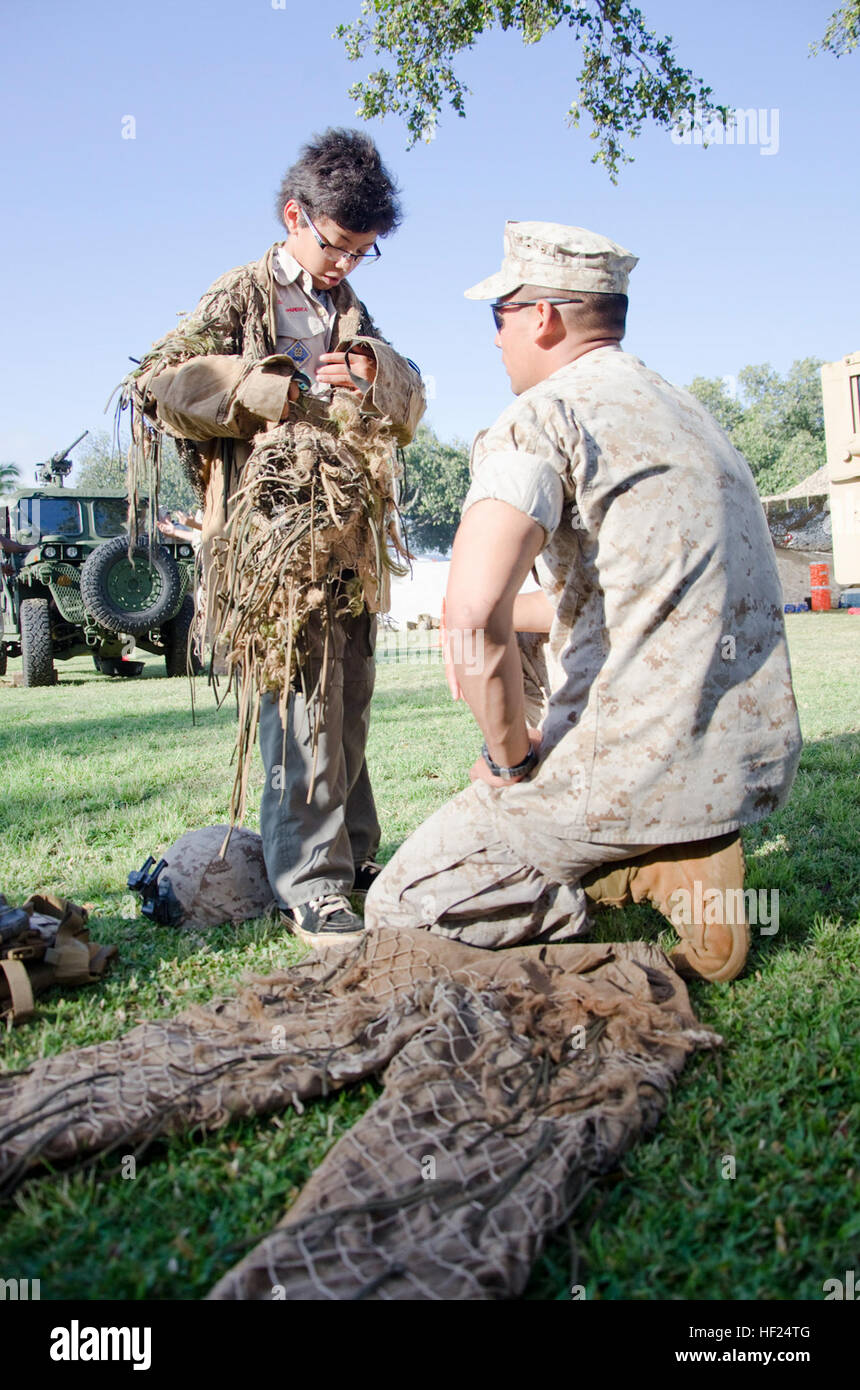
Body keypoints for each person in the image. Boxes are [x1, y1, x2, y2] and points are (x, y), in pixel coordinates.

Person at [366, 220, 801, 983]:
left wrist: (508, 761)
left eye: (496, 318)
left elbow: (471, 614)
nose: (494, 341)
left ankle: (632, 869)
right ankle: (667, 840)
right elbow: (627, 596)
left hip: (632, 765)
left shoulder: (539, 419)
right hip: (744, 760)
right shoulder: (685, 412)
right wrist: (501, 629)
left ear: (544, 316)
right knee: (509, 632)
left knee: (400, 910)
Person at [127, 129, 425, 946]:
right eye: (337, 246)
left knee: (349, 706)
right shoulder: (240, 293)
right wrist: (267, 388)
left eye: (365, 253)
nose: (347, 265)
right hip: (270, 550)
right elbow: (160, 383)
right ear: (296, 214)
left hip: (348, 541)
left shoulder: (349, 307)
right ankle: (313, 887)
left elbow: (410, 398)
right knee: (300, 712)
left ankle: (356, 859)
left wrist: (371, 372)